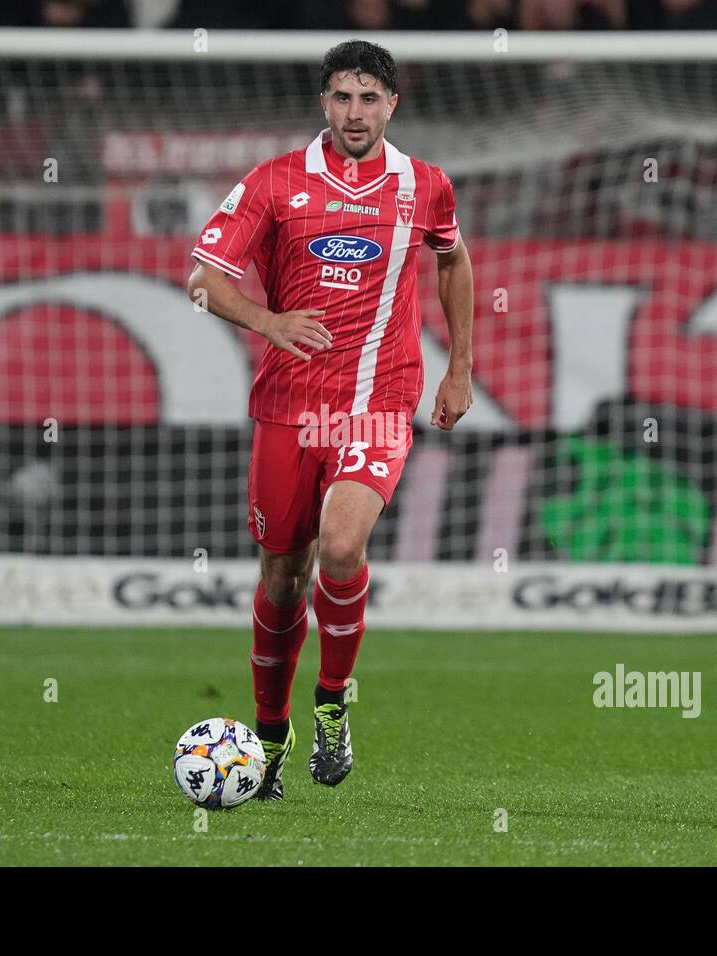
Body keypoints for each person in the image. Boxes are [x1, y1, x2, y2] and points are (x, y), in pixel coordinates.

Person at [185, 40, 474, 797]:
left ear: (392, 105)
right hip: (289, 407)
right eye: (343, 97)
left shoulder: (424, 185)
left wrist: (460, 367)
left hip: (379, 400)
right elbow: (203, 281)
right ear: (324, 103)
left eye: (369, 98)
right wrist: (267, 320)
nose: (355, 113)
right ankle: (269, 733)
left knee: (342, 546)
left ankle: (332, 704)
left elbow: (453, 259)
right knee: (284, 578)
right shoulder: (275, 182)